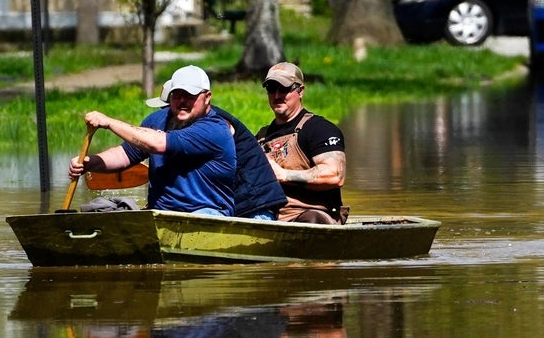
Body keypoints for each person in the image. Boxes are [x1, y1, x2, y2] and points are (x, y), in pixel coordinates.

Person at [69, 65, 236, 216]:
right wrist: (89, 163)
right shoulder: (157, 120)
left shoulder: (215, 129)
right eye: (177, 95)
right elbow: (125, 154)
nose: (182, 101)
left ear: (207, 97)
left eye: (189, 96)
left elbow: (157, 143)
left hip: (206, 213)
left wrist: (109, 122)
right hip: (160, 215)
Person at [147, 79, 286, 220]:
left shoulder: (213, 125)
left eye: (165, 110)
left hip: (254, 205)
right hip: (234, 205)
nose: (164, 116)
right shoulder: (188, 126)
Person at [255, 61, 348, 224]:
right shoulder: (262, 137)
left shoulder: (319, 129)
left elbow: (335, 175)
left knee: (311, 220)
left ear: (301, 91)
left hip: (313, 215)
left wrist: (284, 175)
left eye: (284, 89)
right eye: (271, 89)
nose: (277, 96)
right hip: (269, 217)